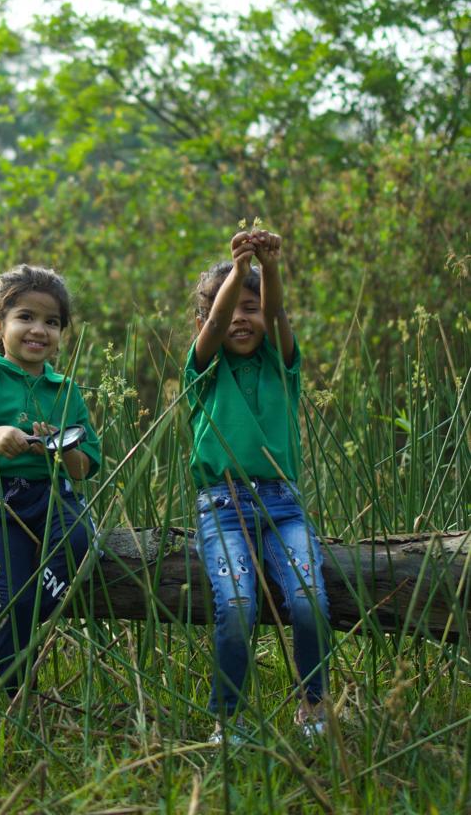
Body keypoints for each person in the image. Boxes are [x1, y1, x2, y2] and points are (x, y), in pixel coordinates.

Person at [185, 228, 330, 743]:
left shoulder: (281, 366)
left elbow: (274, 316)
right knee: (238, 605)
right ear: (206, 323)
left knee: (310, 599)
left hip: (282, 507)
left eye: (253, 308)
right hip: (222, 507)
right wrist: (240, 265)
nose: (241, 319)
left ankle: (313, 706)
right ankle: (230, 717)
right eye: (231, 311)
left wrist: (268, 268)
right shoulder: (203, 371)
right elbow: (222, 319)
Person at [0, 264, 100, 694]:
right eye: (25, 317)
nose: (38, 330)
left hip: (50, 498)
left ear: (62, 334)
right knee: (14, 597)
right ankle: (17, 699)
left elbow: (84, 467)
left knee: (82, 545)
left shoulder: (65, 391)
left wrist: (64, 448)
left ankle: (11, 631)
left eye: (51, 322)